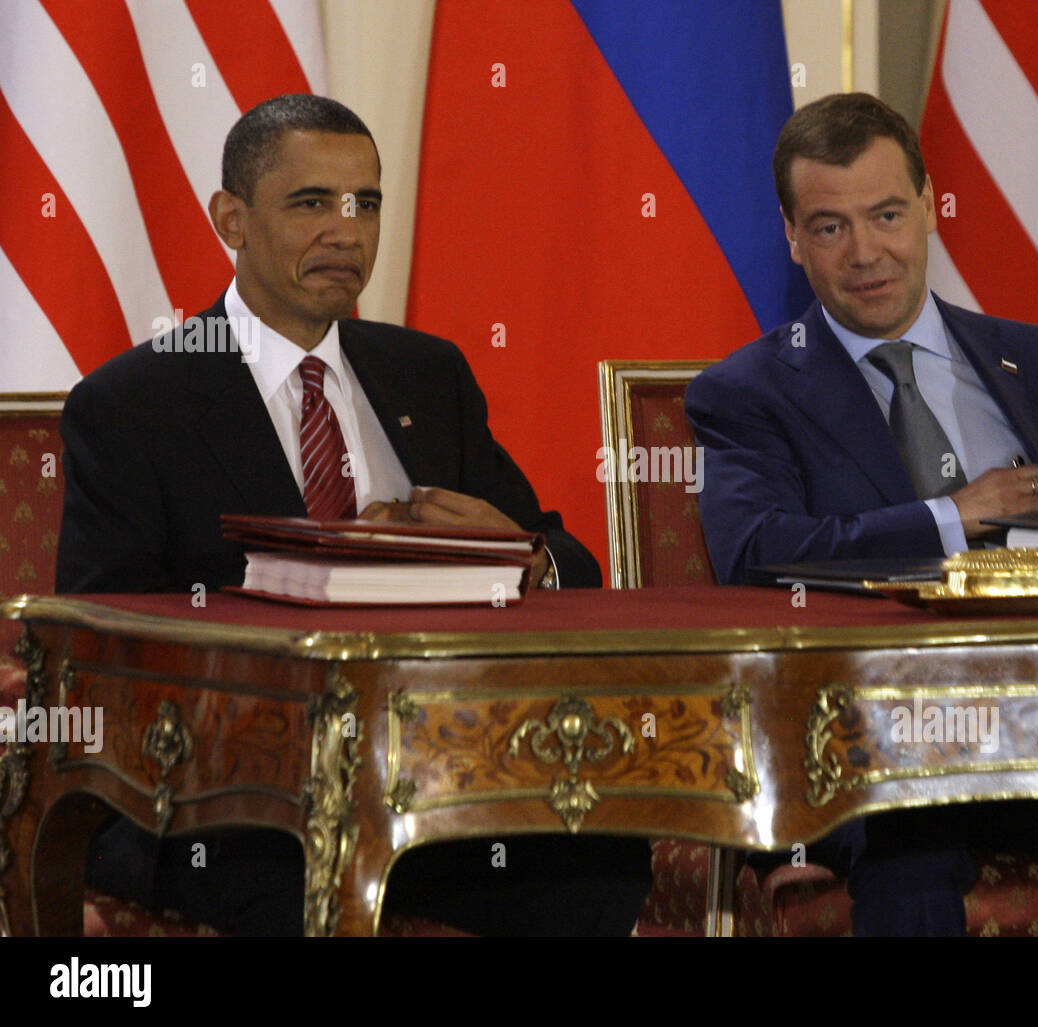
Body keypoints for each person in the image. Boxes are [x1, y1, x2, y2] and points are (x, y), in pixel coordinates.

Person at [58, 93, 650, 936]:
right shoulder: (134, 402)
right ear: (231, 218)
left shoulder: (426, 374)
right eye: (311, 204)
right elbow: (101, 643)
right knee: (307, 885)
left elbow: (571, 562)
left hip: (438, 783)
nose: (348, 232)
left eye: (365, 203)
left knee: (592, 864)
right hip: (224, 804)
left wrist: (523, 556)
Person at [685, 92, 1038, 936]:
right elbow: (758, 551)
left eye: (886, 215)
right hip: (874, 754)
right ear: (793, 237)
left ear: (928, 206)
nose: (867, 253)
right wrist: (954, 514)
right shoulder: (749, 391)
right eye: (831, 227)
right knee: (912, 853)